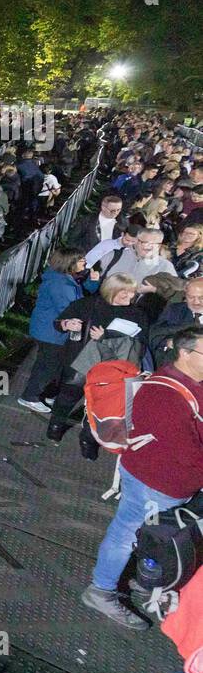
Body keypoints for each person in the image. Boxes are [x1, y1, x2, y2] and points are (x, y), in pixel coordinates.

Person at [83, 326, 203, 630]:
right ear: (185, 353)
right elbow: (188, 453)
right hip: (156, 482)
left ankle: (144, 577)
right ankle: (101, 590)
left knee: (142, 533)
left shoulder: (187, 381)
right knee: (126, 534)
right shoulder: (166, 395)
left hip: (158, 478)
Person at [46, 273, 151, 450]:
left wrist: (107, 336)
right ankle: (55, 424)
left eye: (132, 293)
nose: (129, 297)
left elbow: (142, 339)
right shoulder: (88, 304)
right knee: (68, 395)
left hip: (113, 369)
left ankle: (89, 438)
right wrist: (67, 324)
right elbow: (58, 323)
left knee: (101, 406)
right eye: (123, 293)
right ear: (110, 290)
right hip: (81, 362)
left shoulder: (137, 313)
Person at [16, 247, 96, 413]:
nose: (85, 262)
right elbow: (70, 309)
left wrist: (93, 282)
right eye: (81, 260)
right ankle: (29, 396)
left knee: (49, 364)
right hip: (51, 333)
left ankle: (40, 394)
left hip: (48, 330)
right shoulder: (61, 284)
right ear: (70, 263)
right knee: (48, 366)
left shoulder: (64, 279)